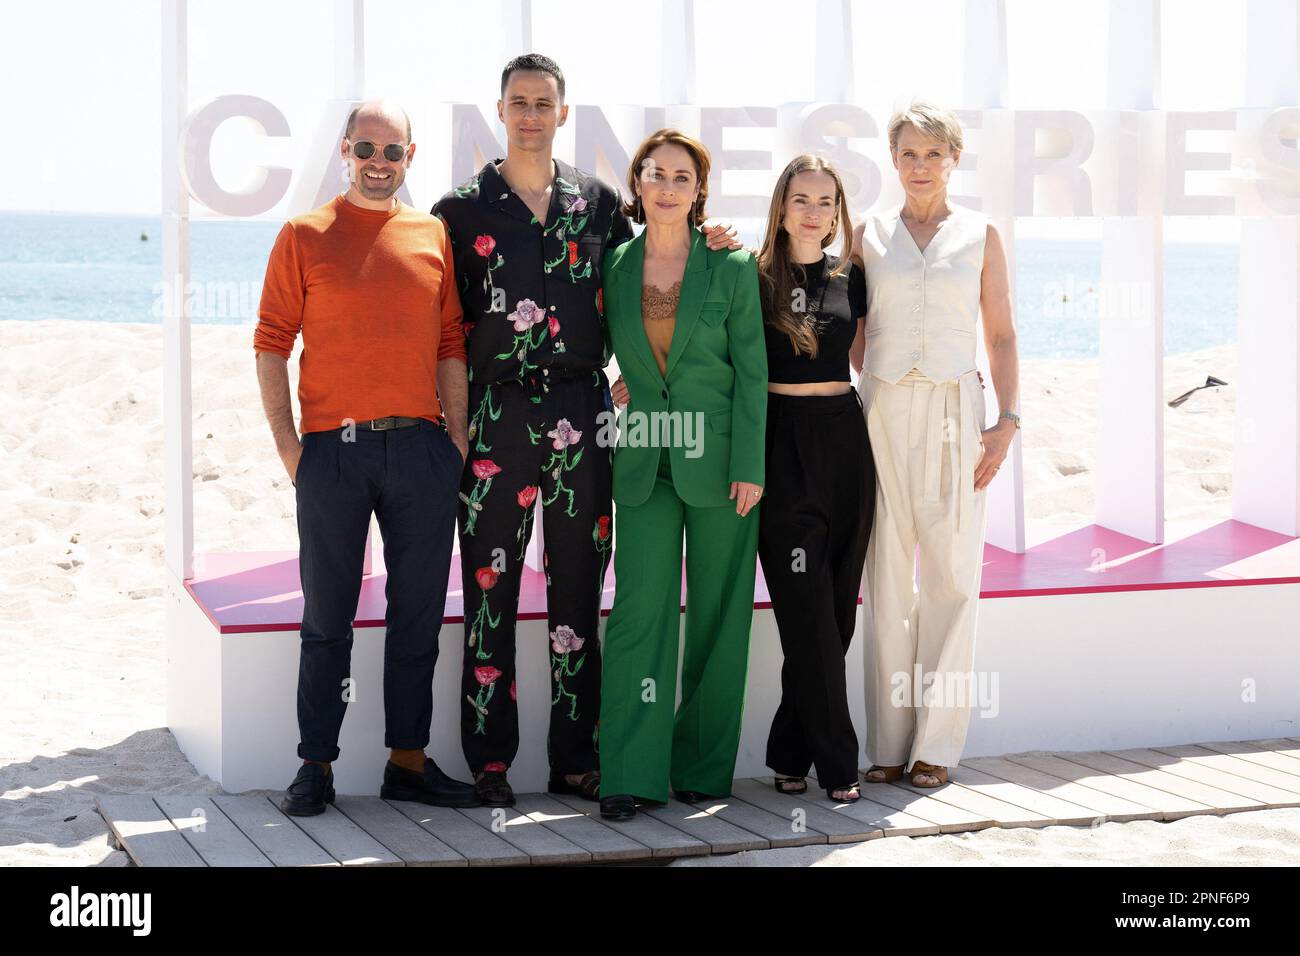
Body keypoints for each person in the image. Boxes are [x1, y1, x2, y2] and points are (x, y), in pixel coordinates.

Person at [431, 55, 738, 807]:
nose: (531, 114)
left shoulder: (601, 204)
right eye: (518, 102)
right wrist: (455, 419)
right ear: (499, 110)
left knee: (578, 591)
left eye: (544, 102)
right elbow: (439, 327)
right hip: (496, 416)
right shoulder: (458, 209)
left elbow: (661, 261)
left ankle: (576, 757)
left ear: (563, 113)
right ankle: (490, 762)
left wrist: (717, 234)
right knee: (489, 590)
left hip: (583, 413)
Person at [254, 99, 478, 815]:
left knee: (417, 615)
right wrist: (291, 448)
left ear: (409, 160)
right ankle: (314, 767)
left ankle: (406, 764)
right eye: (366, 149)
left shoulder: (431, 234)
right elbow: (269, 342)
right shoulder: (302, 234)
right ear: (345, 153)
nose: (378, 163)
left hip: (421, 450)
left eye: (393, 152)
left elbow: (451, 342)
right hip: (332, 455)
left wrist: (458, 439)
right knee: (328, 617)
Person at [597, 129, 767, 821]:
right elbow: (602, 348)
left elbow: (753, 373)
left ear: (700, 192)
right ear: (637, 183)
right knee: (640, 614)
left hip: (723, 464)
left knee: (720, 620)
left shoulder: (731, 265)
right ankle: (630, 774)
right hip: (642, 458)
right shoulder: (613, 264)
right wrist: (618, 382)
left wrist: (751, 465)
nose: (666, 186)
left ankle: (700, 767)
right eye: (654, 173)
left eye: (682, 177)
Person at [852, 101, 1020, 789]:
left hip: (958, 409)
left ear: (954, 158)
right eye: (909, 154)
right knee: (886, 574)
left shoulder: (981, 234)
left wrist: (1006, 422)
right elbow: (852, 327)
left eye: (934, 154)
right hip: (883, 407)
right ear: (893, 160)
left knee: (952, 574)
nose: (921, 166)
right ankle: (889, 743)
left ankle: (938, 746)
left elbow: (1002, 334)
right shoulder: (867, 232)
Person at [755, 155, 873, 803]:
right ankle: (839, 766)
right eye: (801, 198)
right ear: (781, 204)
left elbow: (868, 357)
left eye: (826, 200)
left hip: (846, 441)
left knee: (836, 612)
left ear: (838, 210)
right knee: (805, 613)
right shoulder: (753, 273)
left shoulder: (851, 274)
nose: (813, 210)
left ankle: (789, 752)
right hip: (781, 441)